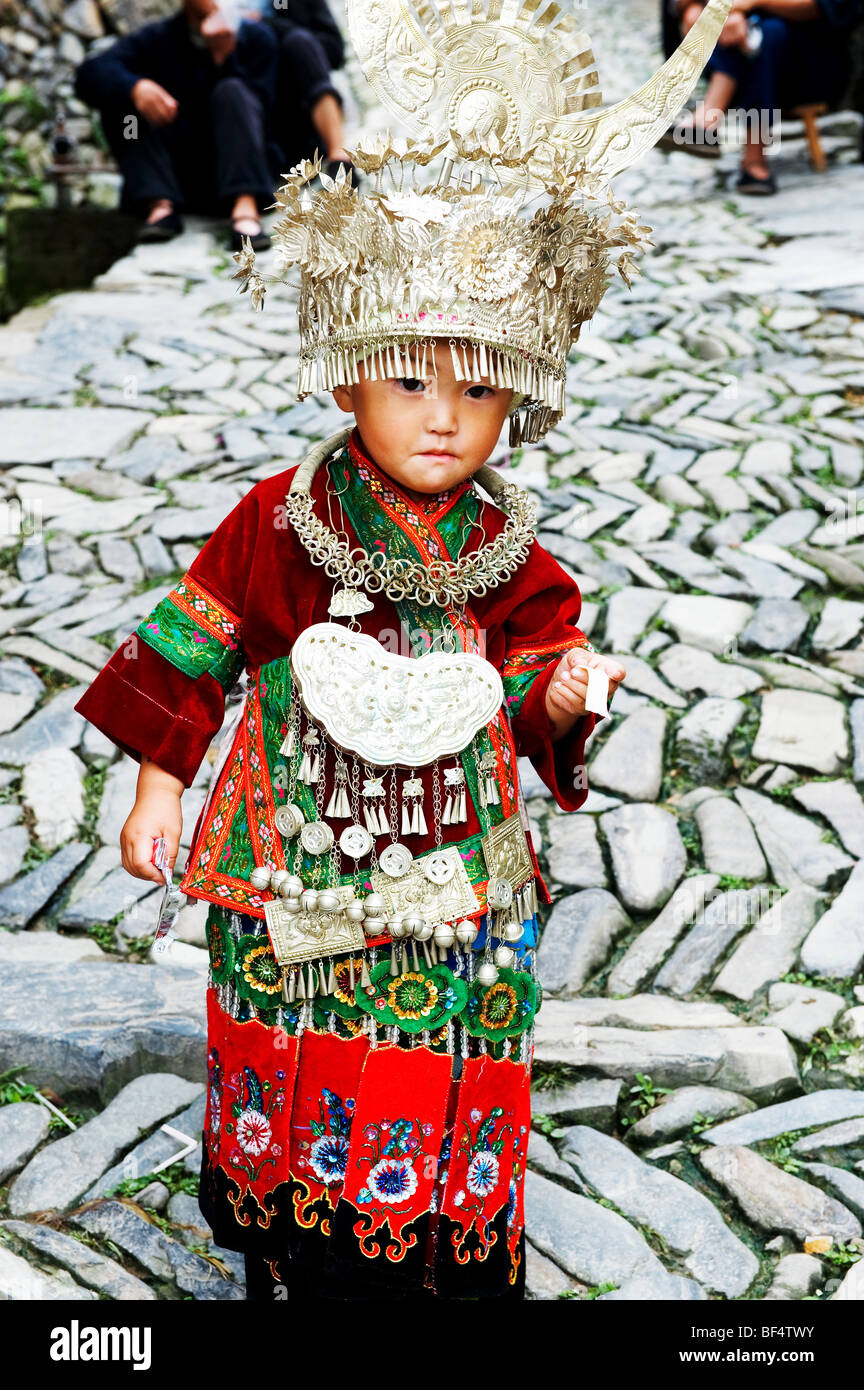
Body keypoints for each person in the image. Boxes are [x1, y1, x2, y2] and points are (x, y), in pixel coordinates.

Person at [74, 0, 735, 1300]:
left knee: (449, 1026)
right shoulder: (278, 517)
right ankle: (293, 1232)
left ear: (517, 399)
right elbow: (196, 643)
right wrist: (159, 783)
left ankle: (436, 1228)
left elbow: (538, 655)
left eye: (478, 388)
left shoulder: (506, 544)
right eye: (411, 382)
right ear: (347, 381)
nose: (444, 419)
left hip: (456, 857)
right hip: (291, 842)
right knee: (287, 1023)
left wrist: (563, 690)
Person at [75, 0, 278, 248]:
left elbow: (265, 113)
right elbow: (90, 73)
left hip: (240, 171)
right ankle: (159, 206)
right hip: (179, 181)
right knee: (122, 102)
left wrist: (224, 59)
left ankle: (245, 208)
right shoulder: (159, 37)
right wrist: (135, 87)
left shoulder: (256, 38)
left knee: (233, 90)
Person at [663, 0, 864, 192]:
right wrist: (691, 7)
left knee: (766, 33)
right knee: (744, 30)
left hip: (809, 68)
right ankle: (748, 158)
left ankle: (713, 125)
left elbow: (826, 8)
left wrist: (752, 3)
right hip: (735, 46)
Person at [250, 0, 352, 176]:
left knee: (299, 41)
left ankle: (338, 155)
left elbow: (334, 50)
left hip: (305, 112)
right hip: (263, 124)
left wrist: (266, 24)